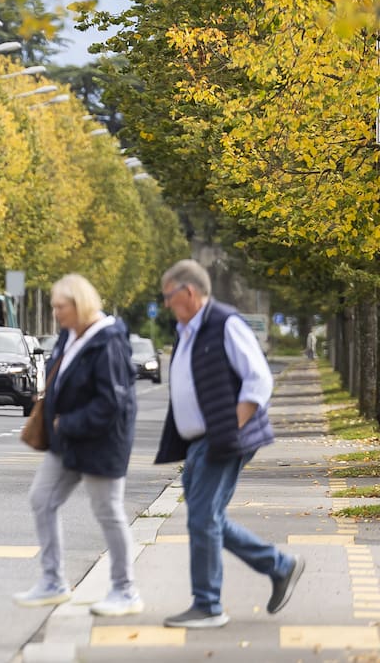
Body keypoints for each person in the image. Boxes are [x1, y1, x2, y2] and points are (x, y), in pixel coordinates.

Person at [155, 259, 303, 629]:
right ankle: (279, 565)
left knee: (204, 517)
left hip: (220, 438)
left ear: (188, 292)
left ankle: (208, 605)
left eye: (168, 296)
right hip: (200, 440)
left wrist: (229, 426)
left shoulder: (225, 323)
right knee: (209, 517)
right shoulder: (188, 329)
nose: (166, 303)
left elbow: (259, 380)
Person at [14, 274, 142, 617]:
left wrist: (67, 422)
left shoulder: (108, 341)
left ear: (80, 304)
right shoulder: (71, 336)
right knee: (41, 499)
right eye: (53, 306)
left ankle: (125, 590)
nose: (56, 313)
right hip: (67, 442)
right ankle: (53, 581)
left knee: (108, 512)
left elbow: (112, 402)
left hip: (101, 442)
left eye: (60, 306)